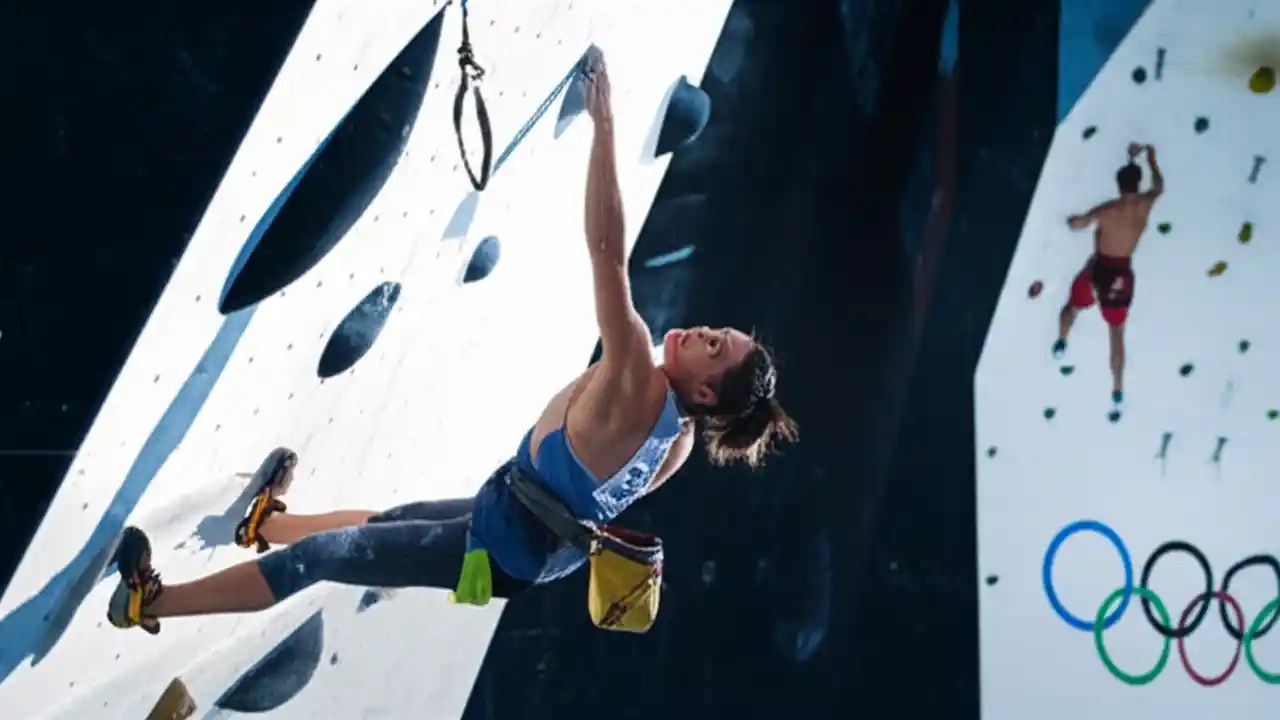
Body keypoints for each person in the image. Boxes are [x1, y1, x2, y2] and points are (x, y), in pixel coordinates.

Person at [107, 47, 799, 634]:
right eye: (719, 331)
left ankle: (150, 601)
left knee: (326, 561)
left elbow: (606, 251)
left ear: (704, 390)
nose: (704, 331)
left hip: (499, 545)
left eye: (714, 346)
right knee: (391, 521)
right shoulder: (677, 439)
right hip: (519, 536)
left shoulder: (638, 380)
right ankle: (267, 523)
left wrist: (605, 123)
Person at [1052, 142, 1163, 408]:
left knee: (1073, 306)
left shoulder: (1108, 210)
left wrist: (1071, 220)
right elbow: (1159, 186)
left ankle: (1061, 341)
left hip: (1099, 270)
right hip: (1123, 274)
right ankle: (1117, 388)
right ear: (1137, 185)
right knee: (1116, 333)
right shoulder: (1146, 204)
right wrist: (1151, 158)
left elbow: (1079, 224)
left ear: (1118, 185)